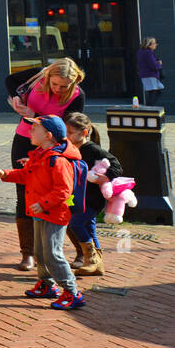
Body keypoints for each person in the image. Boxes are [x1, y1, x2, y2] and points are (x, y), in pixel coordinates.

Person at [0, 115, 85, 310]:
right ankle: (47, 284)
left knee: (52, 253)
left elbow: (63, 190)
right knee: (40, 252)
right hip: (39, 211)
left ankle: (72, 292)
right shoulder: (40, 154)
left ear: (48, 135)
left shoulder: (57, 161)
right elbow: (25, 175)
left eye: (35, 129)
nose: (30, 131)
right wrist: (5, 174)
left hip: (54, 214)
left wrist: (44, 203)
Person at [4, 58, 86, 270]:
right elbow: (10, 80)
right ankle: (27, 254)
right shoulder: (38, 76)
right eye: (55, 84)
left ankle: (82, 250)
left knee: (61, 196)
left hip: (54, 149)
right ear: (48, 77)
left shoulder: (77, 96)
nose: (58, 89)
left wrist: (36, 116)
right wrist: (16, 99)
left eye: (64, 86)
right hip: (25, 140)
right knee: (23, 193)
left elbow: (66, 126)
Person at [63, 112, 117, 277]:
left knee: (76, 223)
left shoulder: (93, 150)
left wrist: (105, 177)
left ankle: (91, 259)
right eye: (65, 132)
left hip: (92, 198)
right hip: (76, 196)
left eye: (70, 133)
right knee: (89, 227)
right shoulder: (69, 148)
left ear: (85, 132)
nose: (67, 136)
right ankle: (96, 265)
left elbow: (115, 165)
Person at [137, 37, 163, 106]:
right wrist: (159, 64)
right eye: (154, 43)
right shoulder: (148, 53)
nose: (156, 45)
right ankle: (149, 109)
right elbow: (153, 66)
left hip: (146, 75)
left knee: (157, 91)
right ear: (149, 45)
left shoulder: (141, 52)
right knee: (153, 93)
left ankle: (149, 108)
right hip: (150, 75)